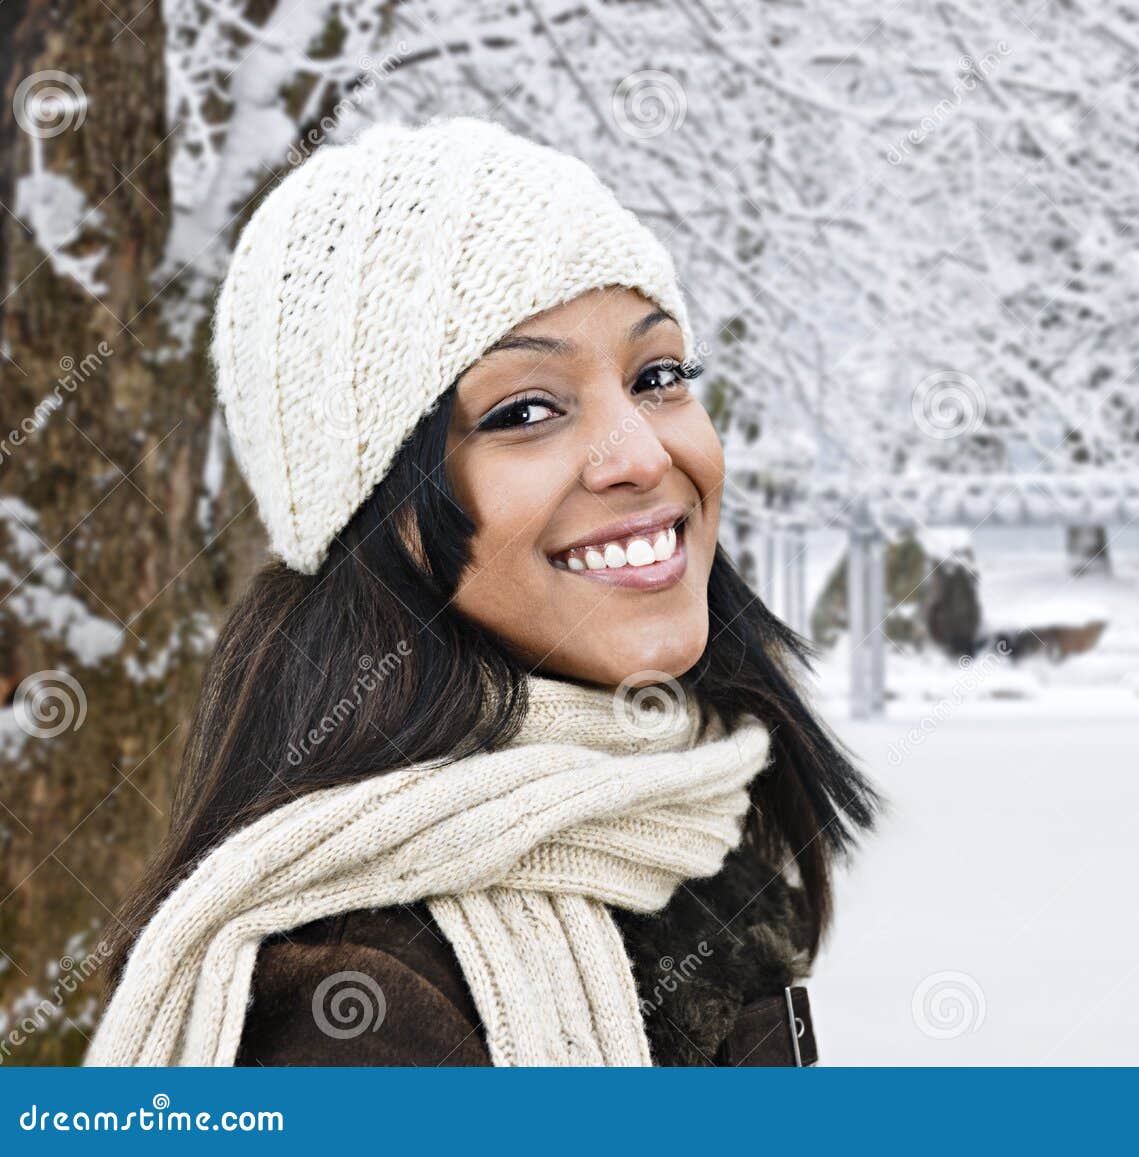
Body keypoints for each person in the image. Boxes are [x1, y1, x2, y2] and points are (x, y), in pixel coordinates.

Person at [88, 118, 879, 1067]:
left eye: (658, 376)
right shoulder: (356, 1007)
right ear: (373, 507)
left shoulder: (694, 842)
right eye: (526, 410)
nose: (640, 454)